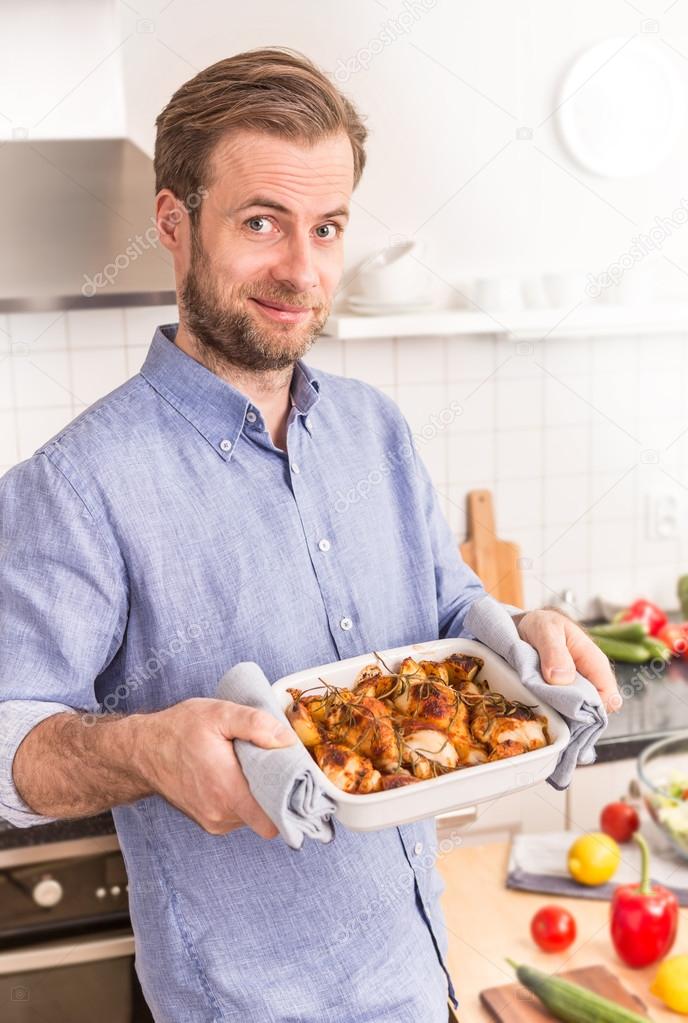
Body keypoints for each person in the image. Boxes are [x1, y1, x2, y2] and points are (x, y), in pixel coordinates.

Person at [0, 47, 619, 1023]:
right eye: (260, 223)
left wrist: (521, 628)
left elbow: (447, 605)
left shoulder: (376, 429)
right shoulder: (74, 487)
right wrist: (142, 750)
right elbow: (8, 741)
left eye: (325, 228)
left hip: (418, 973)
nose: (301, 269)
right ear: (173, 222)